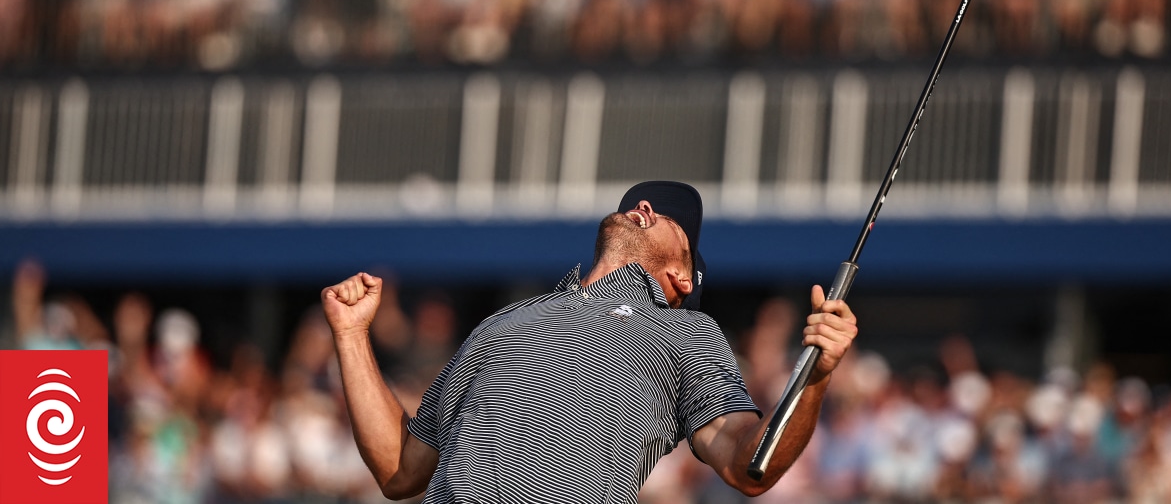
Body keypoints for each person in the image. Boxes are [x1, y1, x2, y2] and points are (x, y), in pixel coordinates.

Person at [321, 180, 858, 502]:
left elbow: (749, 465)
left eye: (669, 220)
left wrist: (816, 376)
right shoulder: (501, 322)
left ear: (685, 280)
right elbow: (400, 470)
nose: (643, 206)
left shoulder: (684, 331)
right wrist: (350, 336)